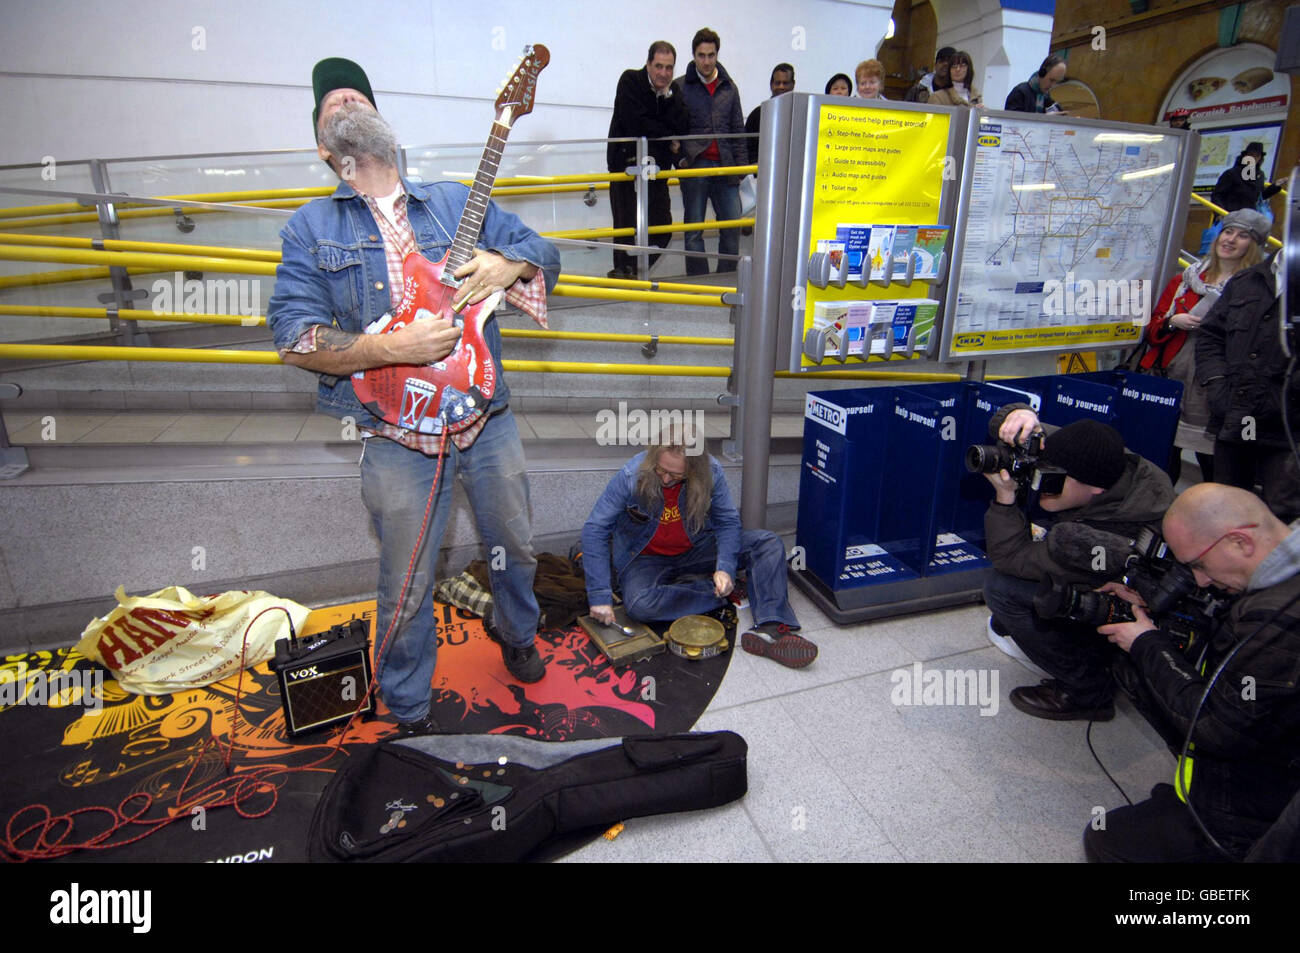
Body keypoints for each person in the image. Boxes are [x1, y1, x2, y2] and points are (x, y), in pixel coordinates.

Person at [266, 57, 562, 735]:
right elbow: (292, 335)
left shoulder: (457, 202)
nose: (343, 104)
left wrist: (506, 265)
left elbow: (545, 252)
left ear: (380, 119)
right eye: (328, 107)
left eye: (353, 96)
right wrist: (385, 350)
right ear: (324, 148)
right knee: (405, 580)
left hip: (485, 415)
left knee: (514, 547)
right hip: (395, 434)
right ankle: (407, 703)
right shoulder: (311, 229)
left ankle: (518, 632)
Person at [1085, 484, 1300, 862]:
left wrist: (1146, 643)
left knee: (1108, 842)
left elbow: (1215, 727)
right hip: (1271, 757)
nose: (1199, 580)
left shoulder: (1278, 622)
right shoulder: (1280, 567)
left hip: (1259, 801)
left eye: (1199, 565)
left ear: (1239, 542)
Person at [981, 410, 1175, 720]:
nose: (1039, 480)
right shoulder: (1108, 462)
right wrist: (1019, 416)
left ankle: (1087, 690)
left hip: (1127, 609)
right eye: (1042, 467)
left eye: (1054, 478)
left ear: (1095, 488)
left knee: (1002, 589)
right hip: (1112, 579)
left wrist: (1005, 498)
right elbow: (1042, 435)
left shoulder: (1101, 540)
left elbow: (1010, 557)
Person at [582, 441, 818, 668]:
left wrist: (724, 566)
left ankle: (772, 626)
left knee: (767, 543)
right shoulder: (630, 476)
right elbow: (595, 529)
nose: (666, 479)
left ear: (694, 469)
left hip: (696, 546)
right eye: (661, 470)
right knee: (639, 604)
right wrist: (599, 595)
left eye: (675, 475)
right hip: (645, 557)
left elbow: (727, 522)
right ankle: (719, 592)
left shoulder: (711, 471)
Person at [1133, 208, 1266, 484]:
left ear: (1253, 245)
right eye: (1227, 232)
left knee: (1216, 462)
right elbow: (1154, 327)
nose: (1230, 240)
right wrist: (1173, 322)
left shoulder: (1258, 289)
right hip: (1172, 377)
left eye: (1242, 236)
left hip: (1217, 385)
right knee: (1164, 454)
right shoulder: (1185, 281)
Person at [1196, 234, 1300, 522]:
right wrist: (1216, 382)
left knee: (1282, 515)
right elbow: (1211, 335)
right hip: (1234, 416)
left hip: (1287, 427)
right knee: (1227, 508)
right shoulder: (1247, 280)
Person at [606, 40, 691, 279]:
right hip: (626, 166)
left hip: (656, 169)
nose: (663, 73)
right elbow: (635, 123)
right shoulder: (630, 81)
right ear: (648, 64)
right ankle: (624, 274)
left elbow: (684, 124)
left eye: (669, 67)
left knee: (662, 228)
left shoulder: (673, 90)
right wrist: (666, 135)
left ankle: (633, 271)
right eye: (659, 66)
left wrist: (665, 100)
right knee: (626, 228)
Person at [675, 27, 745, 276]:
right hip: (696, 165)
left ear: (717, 55)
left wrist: (742, 169)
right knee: (694, 228)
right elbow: (673, 129)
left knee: (732, 226)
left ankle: (726, 278)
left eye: (711, 55)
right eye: (701, 55)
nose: (706, 61)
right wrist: (681, 161)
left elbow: (738, 128)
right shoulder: (680, 86)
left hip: (727, 166)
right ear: (694, 55)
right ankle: (698, 281)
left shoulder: (729, 87)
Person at [1210, 141, 1282, 216]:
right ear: (1244, 156)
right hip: (1231, 216)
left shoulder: (1260, 175)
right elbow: (1217, 195)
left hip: (1249, 218)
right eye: (1251, 155)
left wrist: (1275, 186)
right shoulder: (1231, 173)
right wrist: (1220, 214)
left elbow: (1259, 196)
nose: (1253, 158)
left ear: (1260, 158)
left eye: (1257, 156)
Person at [745, 63, 794, 165]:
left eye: (785, 83)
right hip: (762, 174)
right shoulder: (757, 115)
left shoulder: (800, 115)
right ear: (771, 85)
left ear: (793, 84)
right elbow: (747, 147)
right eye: (778, 83)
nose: (781, 86)